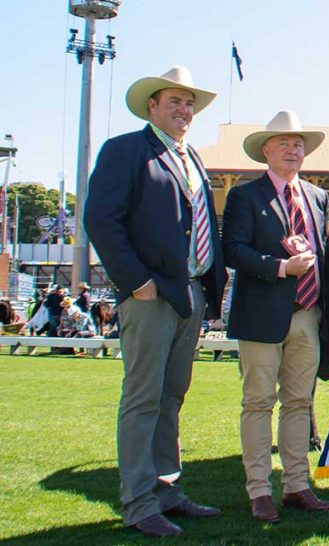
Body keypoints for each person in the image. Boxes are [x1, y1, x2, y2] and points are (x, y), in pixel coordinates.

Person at [84, 65, 227, 537]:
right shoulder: (125, 150)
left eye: (189, 103)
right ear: (152, 107)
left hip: (191, 294)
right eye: (174, 102)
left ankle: (167, 490)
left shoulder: (193, 158)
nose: (184, 110)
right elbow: (101, 220)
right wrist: (137, 282)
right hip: (150, 295)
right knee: (143, 398)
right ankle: (139, 502)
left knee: (172, 397)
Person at [221, 110, 329, 523]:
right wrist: (281, 267)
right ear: (266, 151)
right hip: (260, 315)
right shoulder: (245, 196)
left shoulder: (317, 197)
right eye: (283, 143)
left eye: (298, 144)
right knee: (258, 402)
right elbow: (232, 250)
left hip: (307, 314)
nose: (292, 150)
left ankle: (297, 486)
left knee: (300, 402)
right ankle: (259, 490)